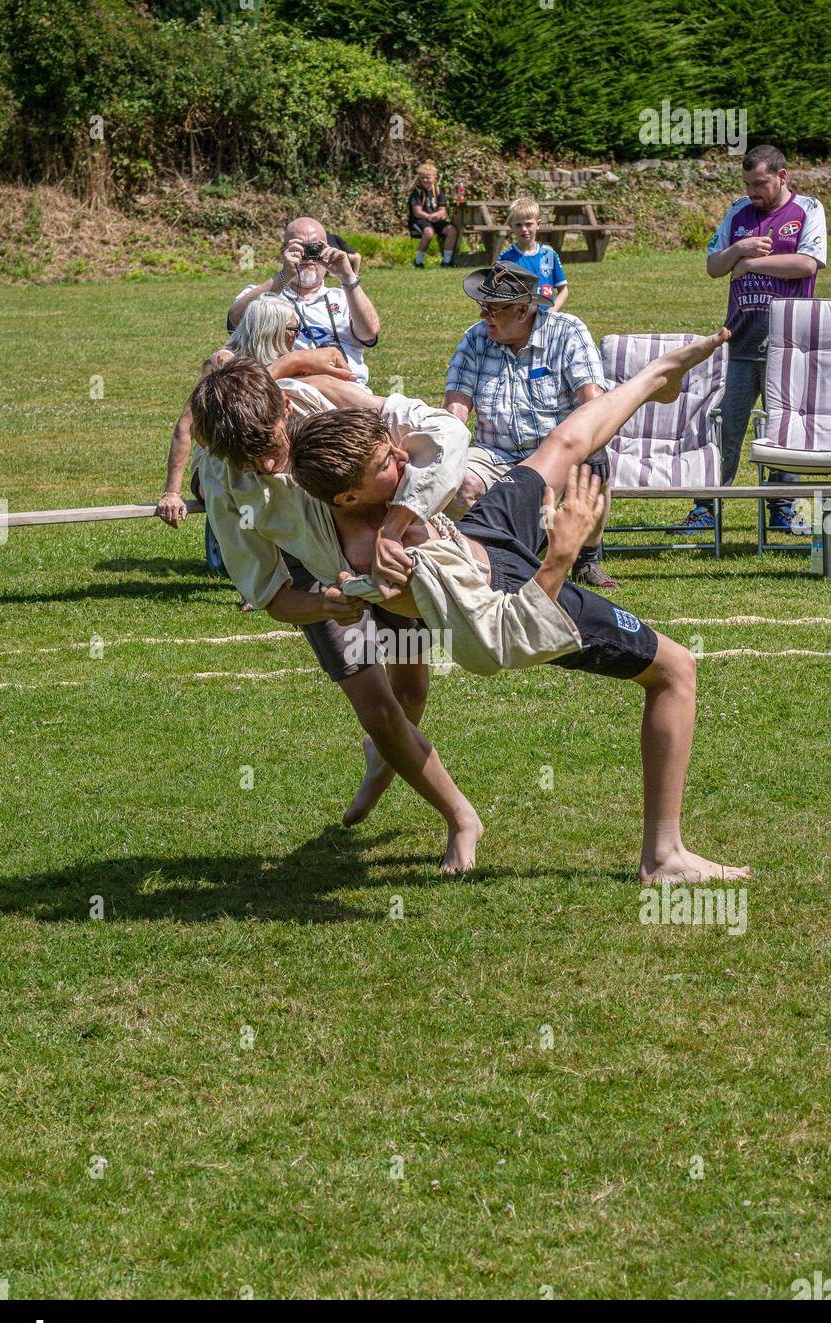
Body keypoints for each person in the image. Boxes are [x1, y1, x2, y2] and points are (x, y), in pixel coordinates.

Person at [287, 329, 750, 885]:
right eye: (387, 463)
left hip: (482, 535)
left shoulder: (352, 504)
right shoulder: (391, 564)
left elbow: (433, 435)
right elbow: (500, 639)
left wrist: (296, 370)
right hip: (513, 591)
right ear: (348, 498)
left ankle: (655, 377)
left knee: (560, 446)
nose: (404, 460)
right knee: (675, 669)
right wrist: (562, 551)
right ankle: (664, 856)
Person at [186, 357, 483, 874]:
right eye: (248, 462)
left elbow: (448, 433)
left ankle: (384, 759)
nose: (267, 468)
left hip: (381, 551)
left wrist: (397, 521)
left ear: (283, 404)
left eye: (272, 448)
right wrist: (324, 604)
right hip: (312, 576)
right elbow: (268, 590)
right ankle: (461, 818)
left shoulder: (326, 397)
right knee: (377, 708)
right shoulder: (223, 479)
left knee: (411, 691)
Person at [156, 295, 354, 609]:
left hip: (268, 458)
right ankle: (260, 580)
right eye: (293, 328)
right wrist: (171, 491)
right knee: (248, 489)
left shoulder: (292, 356)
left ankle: (321, 565)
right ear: (271, 329)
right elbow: (187, 427)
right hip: (218, 462)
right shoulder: (224, 362)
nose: (298, 334)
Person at [671, 144, 827, 535]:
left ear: (782, 176)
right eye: (748, 184)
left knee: (785, 427)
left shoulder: (808, 210)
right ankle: (707, 507)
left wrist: (751, 264)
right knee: (724, 424)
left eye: (761, 184)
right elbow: (713, 266)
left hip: (790, 345)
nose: (754, 191)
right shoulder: (738, 211)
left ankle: (782, 506)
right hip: (739, 339)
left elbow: (807, 264)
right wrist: (738, 249)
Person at [445, 261, 617, 589]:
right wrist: (444, 449)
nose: (484, 316)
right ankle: (500, 557)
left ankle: (587, 558)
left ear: (523, 311)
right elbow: (456, 406)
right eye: (482, 306)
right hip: (496, 454)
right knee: (458, 481)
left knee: (595, 466)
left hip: (557, 454)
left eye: (493, 309)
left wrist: (590, 441)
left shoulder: (567, 331)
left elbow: (591, 396)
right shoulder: (475, 339)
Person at [225, 216, 380, 388]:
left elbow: (369, 332)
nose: (307, 256)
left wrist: (348, 276)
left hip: (350, 387)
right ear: (283, 250)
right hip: (291, 389)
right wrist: (284, 276)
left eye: (315, 247)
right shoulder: (265, 295)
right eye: (299, 248)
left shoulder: (344, 297)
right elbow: (235, 320)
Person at [498, 196, 568, 312]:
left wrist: (551, 313)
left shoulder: (549, 255)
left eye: (529, 224)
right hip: (519, 321)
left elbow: (563, 290)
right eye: (518, 225)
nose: (524, 229)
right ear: (511, 227)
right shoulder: (506, 259)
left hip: (546, 320)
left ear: (538, 224)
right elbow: (496, 292)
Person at [408, 161, 458, 269]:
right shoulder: (417, 192)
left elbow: (443, 210)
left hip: (435, 219)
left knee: (452, 230)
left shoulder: (438, 191)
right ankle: (418, 261)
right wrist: (429, 217)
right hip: (420, 220)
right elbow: (417, 212)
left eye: (428, 177)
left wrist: (438, 215)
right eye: (423, 178)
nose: (425, 180)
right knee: (429, 232)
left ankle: (446, 261)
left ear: (434, 178)